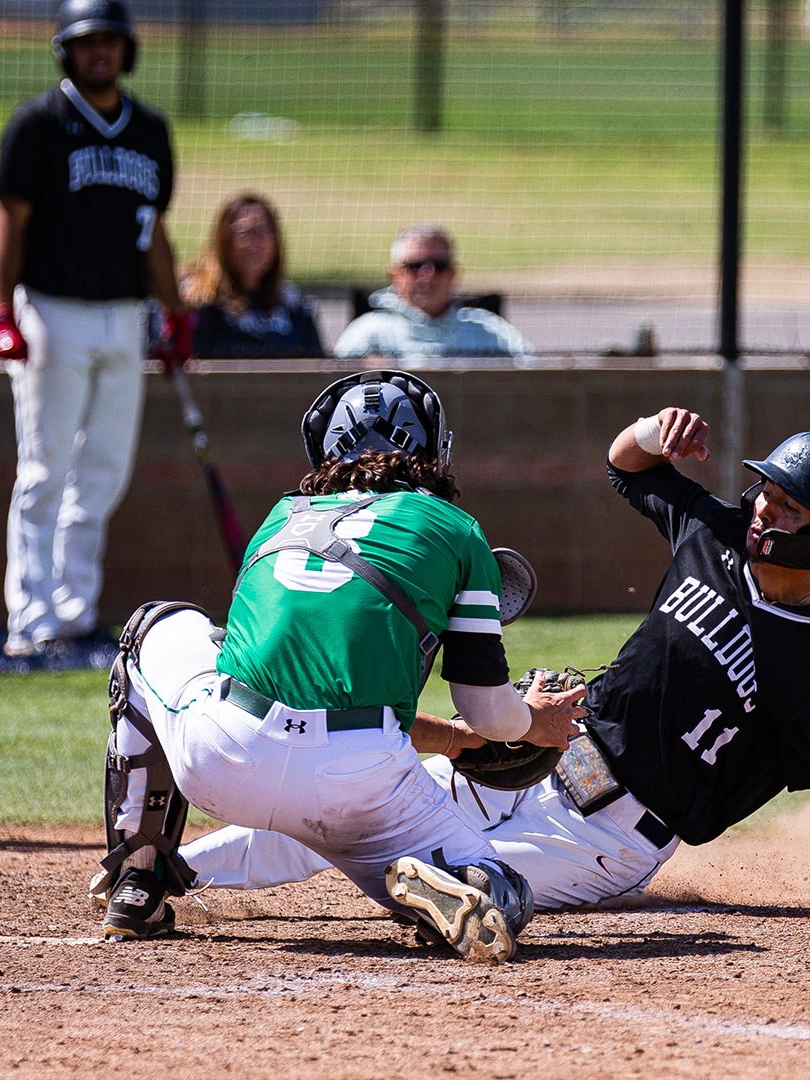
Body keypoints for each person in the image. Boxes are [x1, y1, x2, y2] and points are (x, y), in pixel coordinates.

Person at [179, 409, 810, 921]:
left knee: (469, 885)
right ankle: (166, 871)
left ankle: (446, 884)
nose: (763, 508)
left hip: (611, 839)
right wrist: (655, 429)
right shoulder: (714, 534)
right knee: (348, 807)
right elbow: (628, 466)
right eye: (766, 490)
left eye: (789, 506)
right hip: (549, 754)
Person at [96, 369, 587, 960]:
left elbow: (300, 693)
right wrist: (535, 721)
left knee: (152, 623)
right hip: (359, 780)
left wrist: (457, 738)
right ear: (434, 450)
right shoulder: (457, 528)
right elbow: (486, 711)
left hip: (226, 757)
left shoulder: (281, 515)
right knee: (505, 890)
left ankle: (138, 879)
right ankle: (451, 883)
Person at [0, 0, 188, 658]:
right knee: (44, 468)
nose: (99, 52)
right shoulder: (37, 123)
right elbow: (10, 224)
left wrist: (175, 312)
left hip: (125, 315)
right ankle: (30, 617)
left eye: (109, 41)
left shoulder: (150, 129)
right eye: (86, 41)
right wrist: (1, 312)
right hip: (53, 310)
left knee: (103, 470)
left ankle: (74, 609)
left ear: (127, 50)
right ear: (65, 50)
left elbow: (154, 231)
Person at [332, 224, 531, 362]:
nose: (428, 275)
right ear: (395, 275)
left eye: (439, 266)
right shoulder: (369, 333)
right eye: (415, 266)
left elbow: (537, 375)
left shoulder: (490, 331)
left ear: (453, 274)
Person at [179, 192, 324, 359]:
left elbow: (319, 366)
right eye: (243, 233)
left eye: (263, 231)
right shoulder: (199, 303)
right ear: (223, 240)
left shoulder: (294, 307)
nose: (254, 243)